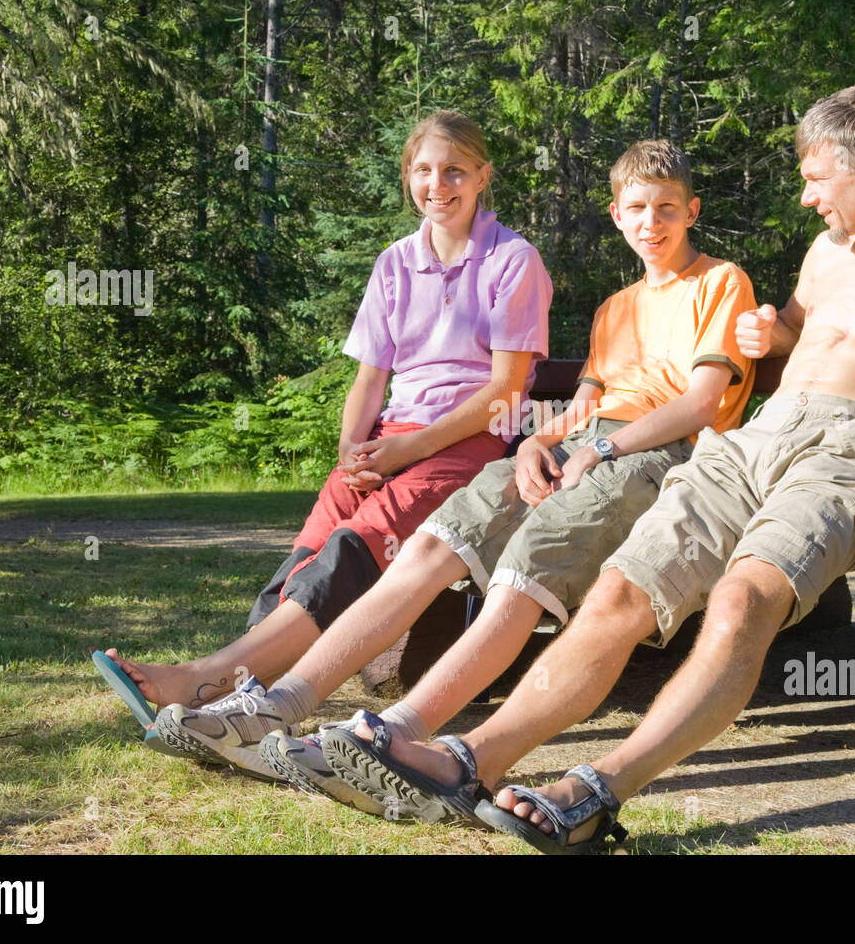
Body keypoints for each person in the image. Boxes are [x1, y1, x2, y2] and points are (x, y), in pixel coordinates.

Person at [313, 83, 855, 852]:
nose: (808, 195)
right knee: (622, 589)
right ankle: (472, 759)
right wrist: (769, 339)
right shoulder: (825, 253)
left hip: (854, 453)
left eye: (817, 178)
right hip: (759, 439)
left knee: (741, 599)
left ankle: (599, 787)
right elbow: (789, 353)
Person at [152, 140, 759, 796]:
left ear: (692, 210)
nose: (652, 221)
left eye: (667, 208)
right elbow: (586, 403)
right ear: (616, 215)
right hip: (573, 449)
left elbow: (700, 405)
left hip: (651, 456)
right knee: (433, 544)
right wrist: (534, 443)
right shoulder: (616, 308)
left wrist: (602, 449)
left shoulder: (721, 282)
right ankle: (278, 705)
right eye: (638, 208)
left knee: (526, 567)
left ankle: (394, 733)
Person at [93, 110, 551, 756]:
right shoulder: (395, 263)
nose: (437, 184)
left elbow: (505, 392)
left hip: (466, 447)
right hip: (391, 439)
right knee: (311, 549)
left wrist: (406, 450)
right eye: (423, 170)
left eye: (454, 171)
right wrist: (352, 453)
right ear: (407, 177)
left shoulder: (512, 260)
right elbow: (369, 380)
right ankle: (239, 695)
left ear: (483, 176)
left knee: (352, 547)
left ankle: (205, 684)